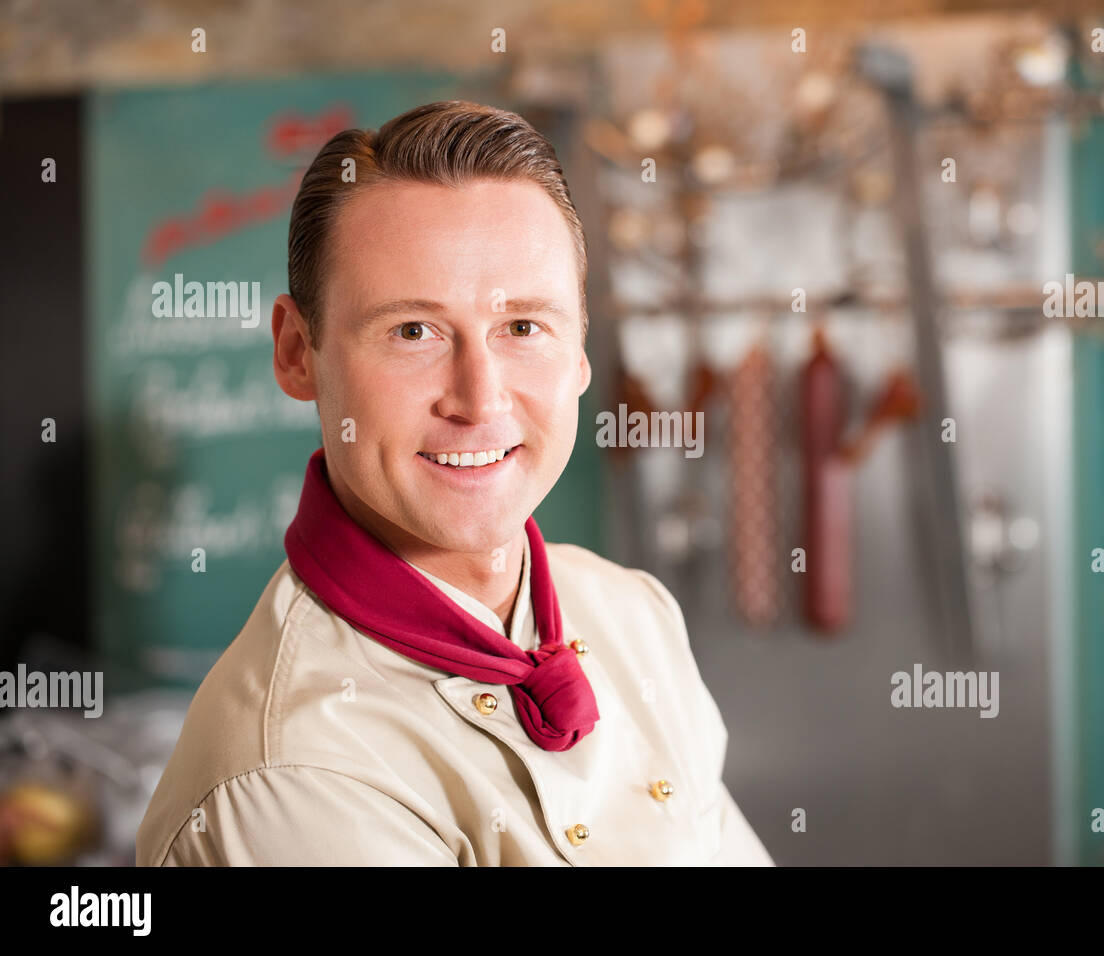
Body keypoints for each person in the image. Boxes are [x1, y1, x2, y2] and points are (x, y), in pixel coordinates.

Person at [135, 100, 774, 866]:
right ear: (298, 353)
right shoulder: (293, 778)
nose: (480, 399)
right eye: (413, 331)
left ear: (578, 354)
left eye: (523, 327)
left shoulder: (632, 615)